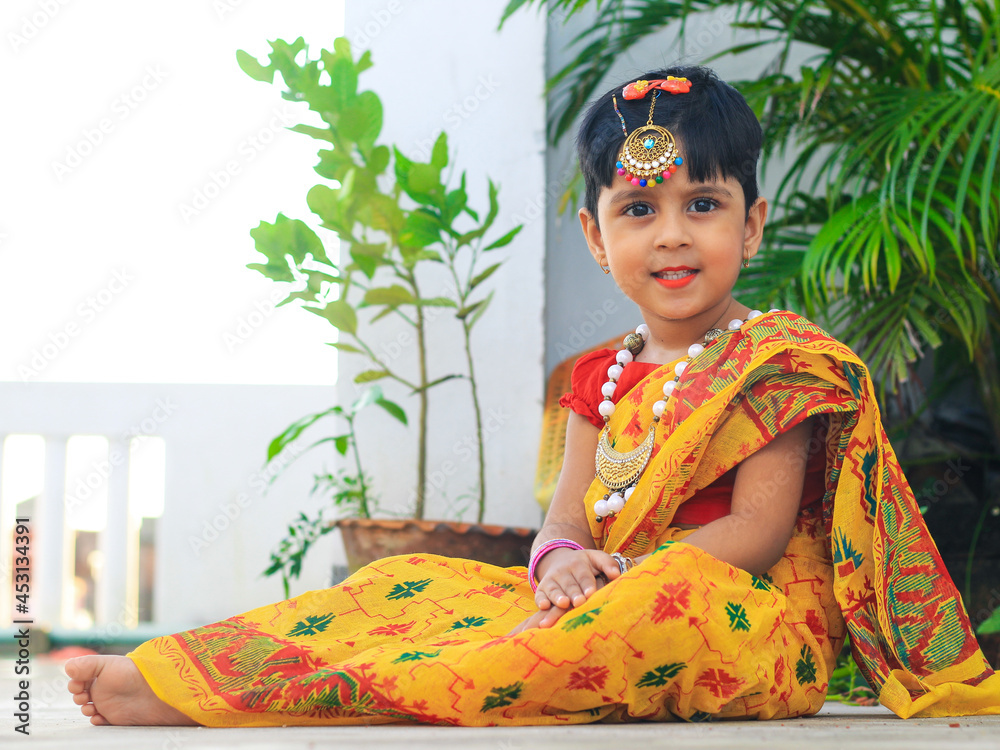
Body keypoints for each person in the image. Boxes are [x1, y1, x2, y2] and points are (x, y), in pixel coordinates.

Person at [66, 65, 1000, 726]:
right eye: (639, 210)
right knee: (403, 583)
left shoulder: (775, 362)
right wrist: (559, 566)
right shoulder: (597, 378)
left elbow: (756, 533)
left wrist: (616, 575)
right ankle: (187, 675)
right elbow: (566, 515)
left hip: (730, 619)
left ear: (751, 225)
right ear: (598, 238)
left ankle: (283, 695)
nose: (671, 235)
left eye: (703, 205)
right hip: (605, 594)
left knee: (651, 602)